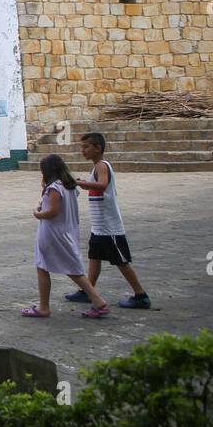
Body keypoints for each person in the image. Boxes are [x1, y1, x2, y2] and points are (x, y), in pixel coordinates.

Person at [65, 132, 151, 309]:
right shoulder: (95, 167)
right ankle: (89, 291)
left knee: (121, 261)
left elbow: (102, 185)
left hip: (109, 226)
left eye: (86, 147)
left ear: (98, 148)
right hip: (99, 225)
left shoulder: (102, 166)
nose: (83, 150)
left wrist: (81, 183)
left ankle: (140, 294)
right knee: (94, 257)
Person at [22, 154, 108, 319]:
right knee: (72, 268)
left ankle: (43, 307)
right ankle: (96, 299)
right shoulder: (69, 186)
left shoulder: (54, 187)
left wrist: (37, 213)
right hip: (66, 231)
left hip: (52, 233)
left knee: (43, 267)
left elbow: (53, 212)